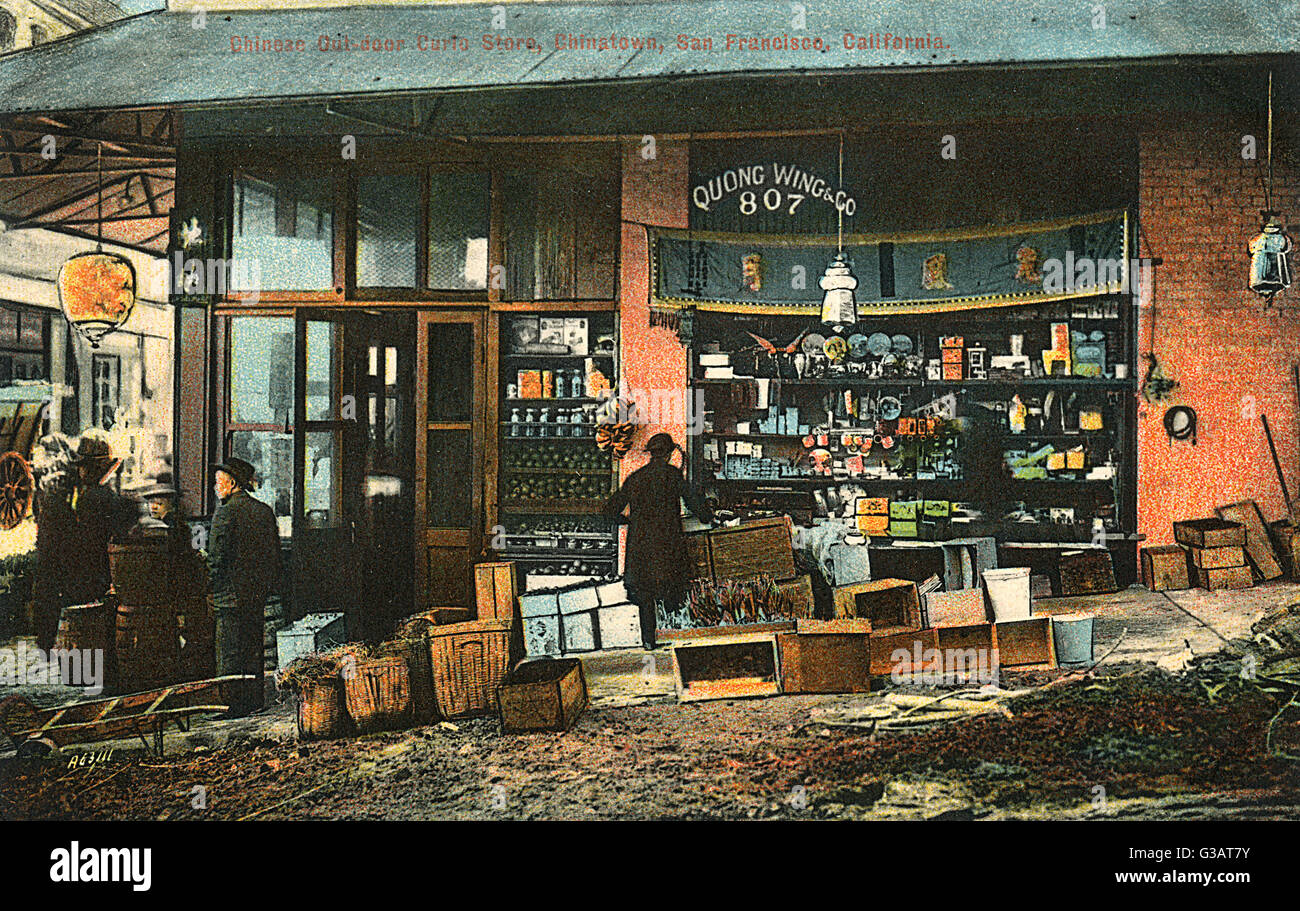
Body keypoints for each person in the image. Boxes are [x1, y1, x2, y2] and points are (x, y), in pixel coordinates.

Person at [603, 433, 713, 650]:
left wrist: (625, 520)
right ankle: (672, 635)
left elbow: (609, 510)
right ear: (670, 453)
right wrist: (708, 517)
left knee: (645, 595)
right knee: (671, 587)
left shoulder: (636, 478)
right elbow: (693, 502)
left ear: (651, 454)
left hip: (641, 545)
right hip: (667, 543)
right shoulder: (673, 476)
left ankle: (648, 640)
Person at [32, 434, 134, 651]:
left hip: (71, 570)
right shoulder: (96, 496)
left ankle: (51, 644)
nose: (83, 471)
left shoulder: (75, 493)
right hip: (83, 572)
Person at [208, 458, 281, 716]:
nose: (216, 487)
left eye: (219, 482)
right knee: (253, 647)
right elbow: (274, 555)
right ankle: (254, 700)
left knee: (229, 650)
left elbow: (216, 558)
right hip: (256, 594)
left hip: (229, 595)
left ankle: (231, 705)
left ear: (233, 484)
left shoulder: (226, 512)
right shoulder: (264, 511)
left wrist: (212, 586)